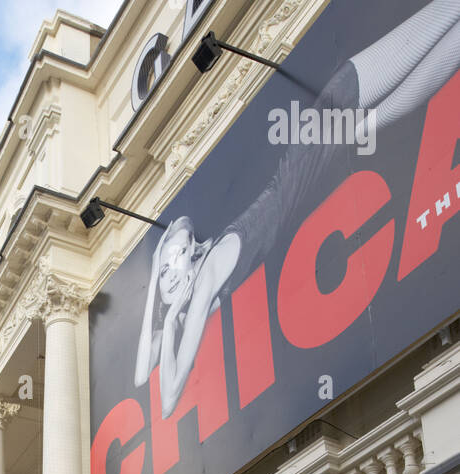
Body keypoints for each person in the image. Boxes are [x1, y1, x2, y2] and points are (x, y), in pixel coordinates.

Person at [136, 0, 460, 419]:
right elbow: (152, 384)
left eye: (175, 258)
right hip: (316, 159)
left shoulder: (209, 273)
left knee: (428, 36)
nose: (170, 273)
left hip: (316, 143)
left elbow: (161, 392)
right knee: (406, 76)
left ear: (193, 253)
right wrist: (157, 303)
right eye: (164, 270)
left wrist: (169, 303)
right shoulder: (200, 291)